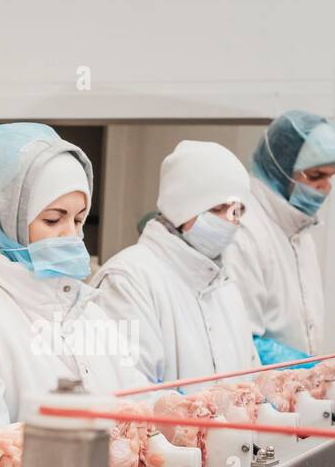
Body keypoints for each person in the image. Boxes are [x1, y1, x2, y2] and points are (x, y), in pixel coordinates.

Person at [0, 124, 149, 431]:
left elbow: (135, 404)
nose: (72, 236)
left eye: (79, 220)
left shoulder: (87, 310)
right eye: (53, 219)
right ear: (4, 220)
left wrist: (168, 411)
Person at [91, 140, 258, 385]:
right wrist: (186, 413)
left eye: (237, 211)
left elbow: (250, 377)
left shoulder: (224, 284)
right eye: (218, 208)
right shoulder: (128, 280)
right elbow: (127, 391)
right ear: (181, 206)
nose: (229, 222)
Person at [223, 110, 335, 357]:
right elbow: (238, 341)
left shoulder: (300, 231)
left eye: (331, 176)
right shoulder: (244, 228)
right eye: (316, 176)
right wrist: (292, 365)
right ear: (280, 167)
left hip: (295, 390)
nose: (325, 187)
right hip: (259, 392)